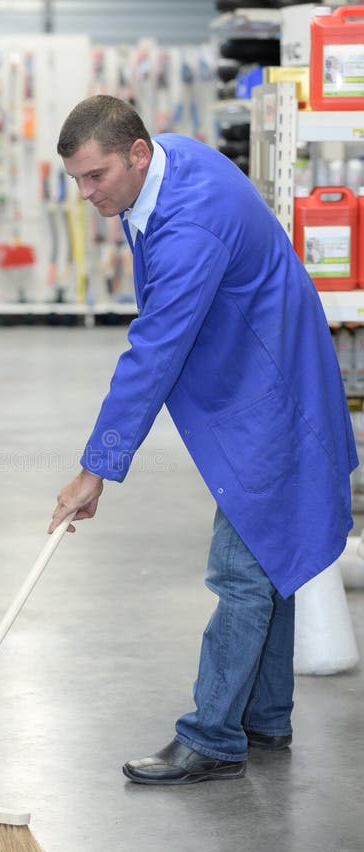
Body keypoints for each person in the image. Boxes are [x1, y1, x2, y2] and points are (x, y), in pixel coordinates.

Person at [47, 95, 358, 786]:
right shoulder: (171, 160)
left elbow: (153, 351)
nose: (87, 193)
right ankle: (264, 716)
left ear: (135, 153)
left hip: (270, 381)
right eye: (76, 179)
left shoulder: (190, 223)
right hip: (261, 356)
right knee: (273, 549)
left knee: (240, 565)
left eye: (95, 176)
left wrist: (95, 469)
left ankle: (213, 737)